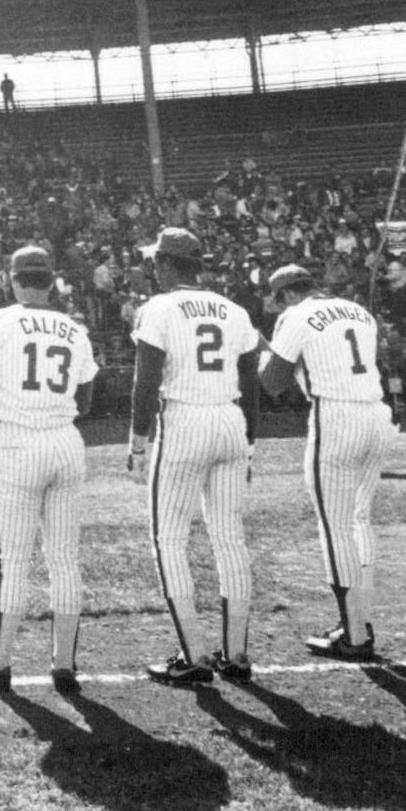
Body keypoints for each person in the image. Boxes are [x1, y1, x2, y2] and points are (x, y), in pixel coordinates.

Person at [0, 245, 99, 693]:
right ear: (51, 280)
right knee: (63, 558)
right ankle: (65, 665)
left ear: (14, 280)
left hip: (20, 441)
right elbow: (89, 398)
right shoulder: (75, 327)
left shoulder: (0, 320)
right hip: (65, 440)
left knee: (12, 560)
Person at [128, 227, 263, 686]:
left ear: (164, 264)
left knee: (169, 539)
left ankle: (194, 655)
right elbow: (251, 386)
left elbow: (145, 382)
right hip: (229, 420)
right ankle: (237, 654)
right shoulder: (234, 310)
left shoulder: (159, 307)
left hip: (184, 420)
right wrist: (251, 443)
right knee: (230, 538)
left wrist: (137, 442)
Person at [259, 264, 396, 662]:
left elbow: (272, 383)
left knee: (335, 527)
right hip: (376, 413)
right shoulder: (358, 311)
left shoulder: (294, 315)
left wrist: (259, 351)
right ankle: (360, 619)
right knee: (359, 519)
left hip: (336, 416)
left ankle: (354, 635)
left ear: (284, 294)